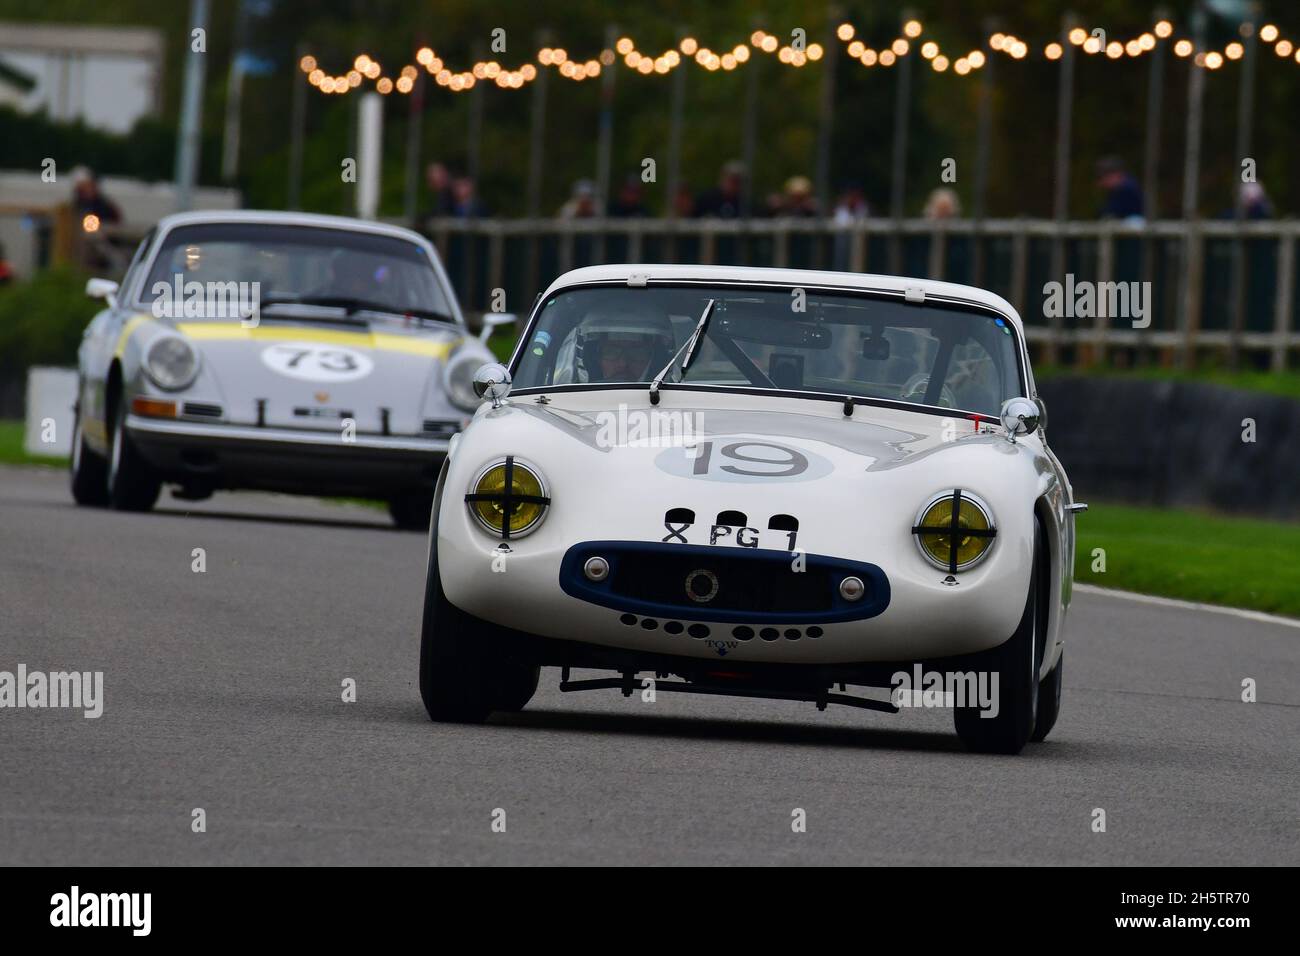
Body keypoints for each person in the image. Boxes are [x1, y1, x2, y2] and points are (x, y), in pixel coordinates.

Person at [575, 307, 677, 383]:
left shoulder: (682, 407)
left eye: (637, 353)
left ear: (656, 361)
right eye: (611, 352)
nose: (623, 364)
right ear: (593, 359)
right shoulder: (565, 402)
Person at [1096, 157, 1144, 221]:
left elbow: (1116, 212)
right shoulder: (1115, 190)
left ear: (1117, 174)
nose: (1104, 181)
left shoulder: (1128, 188)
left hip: (1133, 222)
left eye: (1106, 177)